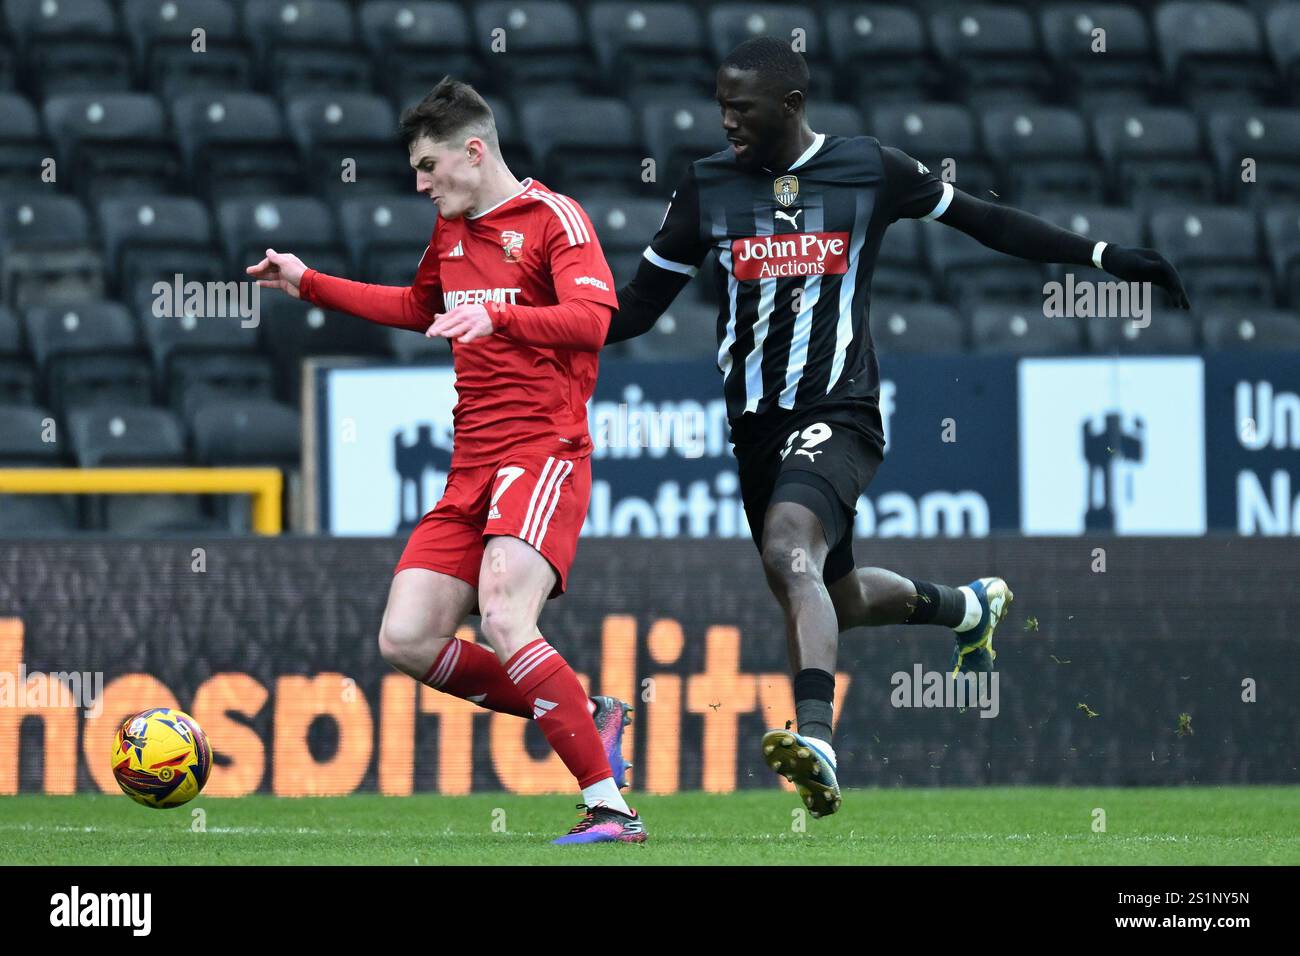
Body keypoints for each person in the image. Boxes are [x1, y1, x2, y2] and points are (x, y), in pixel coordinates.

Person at [607, 37, 1190, 818]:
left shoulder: (869, 169)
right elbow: (634, 310)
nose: (725, 121)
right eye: (719, 104)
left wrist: (1102, 254)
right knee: (832, 594)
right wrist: (527, 322)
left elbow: (986, 221)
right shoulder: (708, 187)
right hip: (753, 429)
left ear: (790, 105)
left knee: (790, 548)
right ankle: (966, 607)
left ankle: (816, 737)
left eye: (739, 107)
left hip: (840, 411)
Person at [248, 77, 645, 845]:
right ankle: (590, 715)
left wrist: (498, 313)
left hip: (543, 450)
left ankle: (610, 808)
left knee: (502, 612)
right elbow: (416, 307)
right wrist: (310, 283)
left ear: (474, 150)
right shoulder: (451, 232)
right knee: (405, 638)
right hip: (471, 466)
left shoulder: (554, 219)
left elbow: (595, 322)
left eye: (429, 166)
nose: (420, 183)